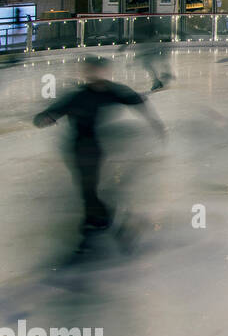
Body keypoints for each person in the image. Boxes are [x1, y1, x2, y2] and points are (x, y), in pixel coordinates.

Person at [33, 57, 165, 246]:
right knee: (87, 190)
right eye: (90, 70)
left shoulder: (108, 91)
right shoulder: (80, 96)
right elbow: (50, 113)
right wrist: (44, 118)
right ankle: (96, 219)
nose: (93, 74)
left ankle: (112, 222)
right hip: (78, 149)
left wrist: (155, 123)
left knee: (88, 191)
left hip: (92, 150)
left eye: (96, 70)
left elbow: (135, 99)